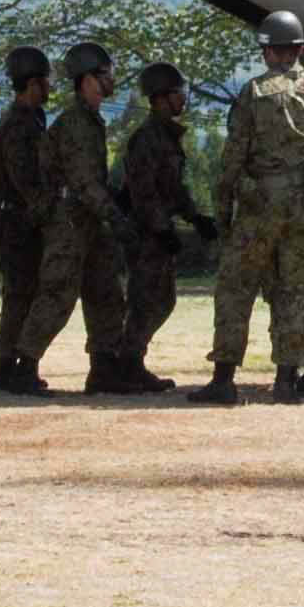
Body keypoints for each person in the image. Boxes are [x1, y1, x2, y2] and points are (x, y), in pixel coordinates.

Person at [196, 12, 304, 405]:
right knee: (293, 290)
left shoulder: (254, 92)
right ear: (300, 49)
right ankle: (286, 382)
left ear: (266, 52)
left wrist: (221, 214)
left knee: (236, 287)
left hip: (258, 206)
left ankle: (224, 380)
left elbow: (232, 159)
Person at [45, 40, 159, 396]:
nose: (112, 79)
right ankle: (19, 365)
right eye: (106, 73)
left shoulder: (92, 119)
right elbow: (83, 183)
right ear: (87, 79)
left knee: (106, 293)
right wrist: (117, 219)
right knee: (57, 295)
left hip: (90, 220)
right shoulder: (77, 123)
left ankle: (104, 369)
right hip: (73, 220)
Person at [0, 45, 69, 394]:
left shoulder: (26, 120)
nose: (49, 87)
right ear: (33, 83)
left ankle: (4, 365)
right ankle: (3, 366)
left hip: (14, 217)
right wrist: (48, 210)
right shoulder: (20, 125)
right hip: (15, 220)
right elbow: (24, 179)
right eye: (45, 81)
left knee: (20, 293)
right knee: (20, 293)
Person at [112, 58, 210, 387]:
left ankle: (129, 361)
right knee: (145, 301)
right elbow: (144, 192)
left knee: (161, 300)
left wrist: (194, 217)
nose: (183, 99)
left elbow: (174, 188)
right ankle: (127, 364)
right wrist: (161, 228)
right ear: (160, 96)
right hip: (145, 234)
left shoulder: (166, 136)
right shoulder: (147, 138)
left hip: (156, 231)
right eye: (178, 93)